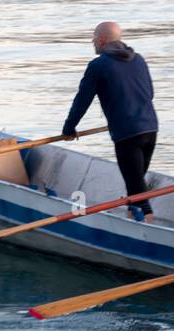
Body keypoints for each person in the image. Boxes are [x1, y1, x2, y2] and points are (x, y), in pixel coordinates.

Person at [62, 21, 160, 223]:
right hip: (151, 128)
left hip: (127, 133)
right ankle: (132, 215)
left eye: (93, 37)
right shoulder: (139, 59)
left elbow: (82, 101)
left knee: (137, 190)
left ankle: (147, 228)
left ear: (102, 39)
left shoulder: (98, 65)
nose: (92, 42)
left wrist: (69, 128)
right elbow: (149, 93)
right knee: (135, 182)